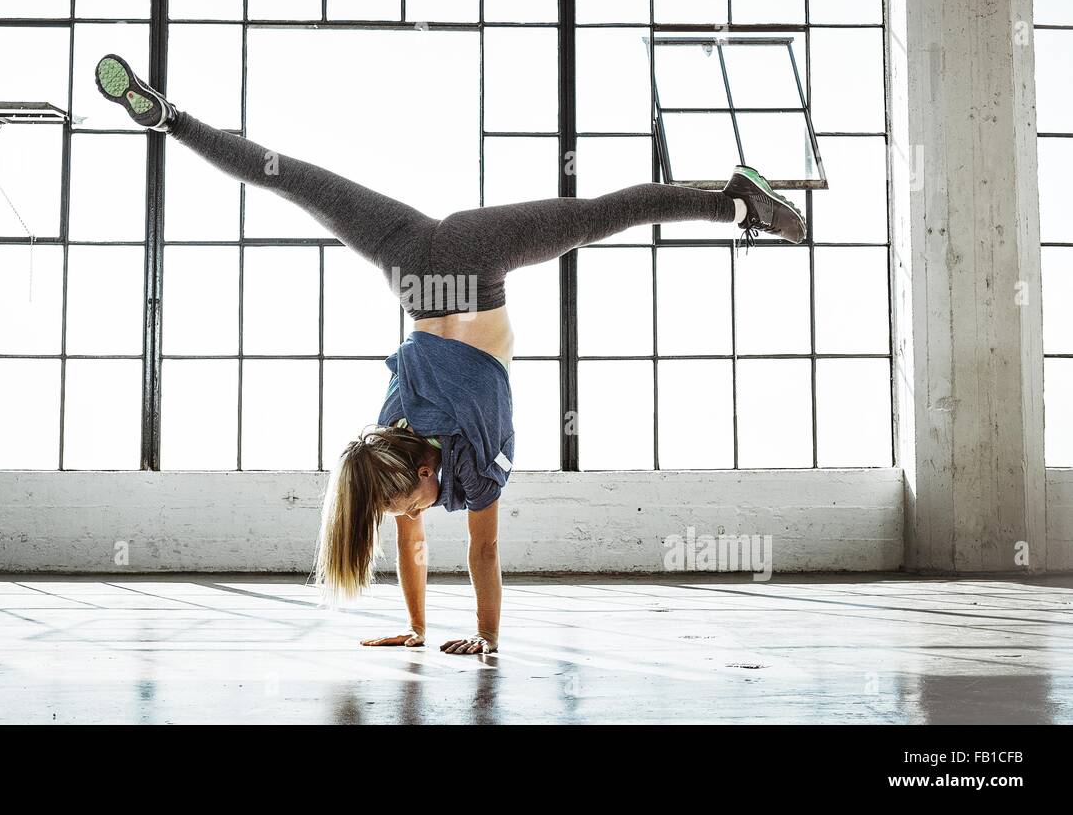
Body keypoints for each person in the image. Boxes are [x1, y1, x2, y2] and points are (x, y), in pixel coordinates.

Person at [95, 53, 805, 655]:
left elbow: (483, 554)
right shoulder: (388, 442)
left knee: (595, 218)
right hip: (412, 265)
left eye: (410, 501)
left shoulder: (468, 457)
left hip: (466, 262)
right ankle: (172, 120)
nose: (415, 514)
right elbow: (412, 537)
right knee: (292, 178)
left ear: (428, 466)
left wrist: (487, 639)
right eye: (408, 505)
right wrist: (417, 626)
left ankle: (737, 206)